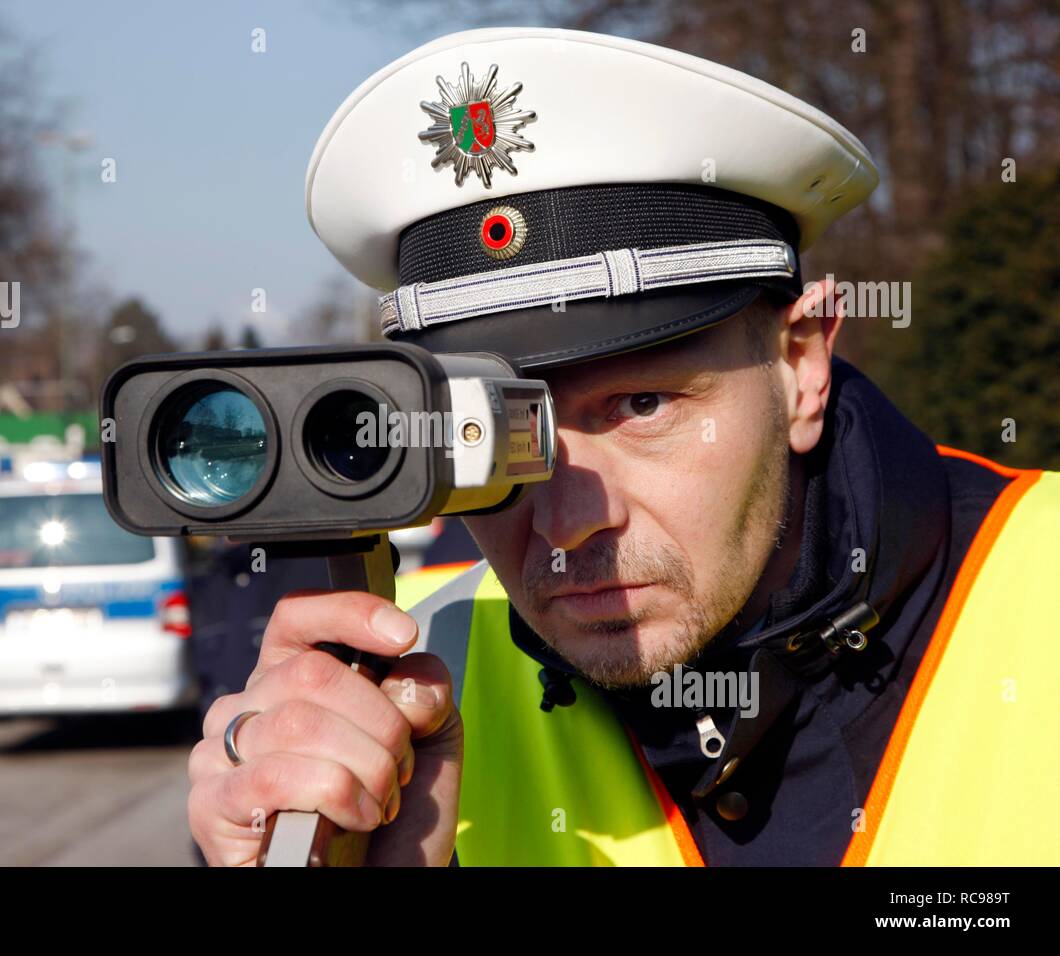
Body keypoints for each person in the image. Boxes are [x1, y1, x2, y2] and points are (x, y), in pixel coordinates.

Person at [185, 28, 1060, 866]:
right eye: (495, 435)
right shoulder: (416, 669)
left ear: (800, 364)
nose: (567, 523)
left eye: (641, 404)